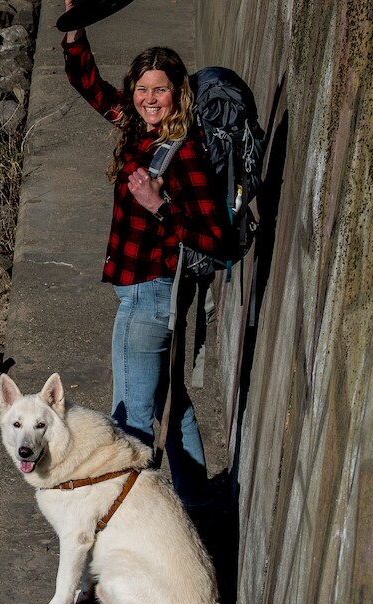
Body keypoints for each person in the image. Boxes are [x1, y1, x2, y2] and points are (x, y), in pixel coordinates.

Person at [60, 0, 225, 510]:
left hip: (152, 299)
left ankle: (126, 526)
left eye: (161, 89)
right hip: (142, 294)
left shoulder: (185, 151)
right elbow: (89, 86)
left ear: (179, 95)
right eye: (142, 89)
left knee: (128, 422)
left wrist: (159, 206)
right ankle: (198, 514)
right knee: (171, 410)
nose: (150, 98)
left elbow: (217, 238)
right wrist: (73, 25)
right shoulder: (138, 128)